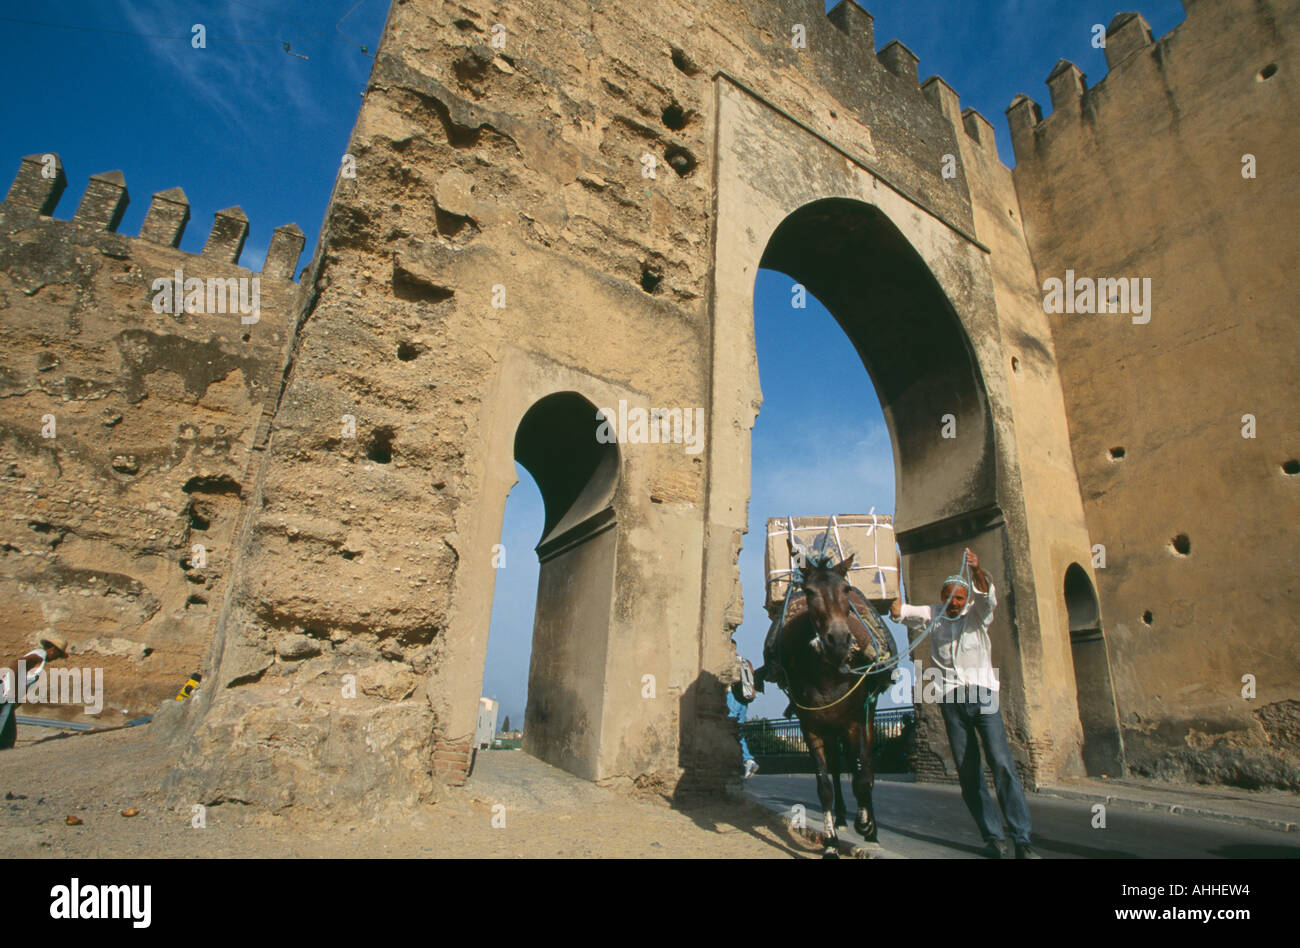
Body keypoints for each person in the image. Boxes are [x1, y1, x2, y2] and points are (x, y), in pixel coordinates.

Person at [890, 549, 1040, 859]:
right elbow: (898, 610)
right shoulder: (932, 615)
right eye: (949, 598)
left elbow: (986, 595)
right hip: (950, 700)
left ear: (966, 598)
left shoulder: (977, 614)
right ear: (941, 598)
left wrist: (976, 569)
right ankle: (993, 837)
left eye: (959, 598)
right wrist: (891, 569)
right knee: (968, 771)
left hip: (982, 698)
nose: (954, 603)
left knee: (1001, 763)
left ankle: (1022, 839)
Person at [0, 635, 69, 750]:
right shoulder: (39, 656)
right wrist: (13, 690)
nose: (57, 658)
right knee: (7, 729)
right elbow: (17, 664)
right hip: (5, 692)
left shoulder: (39, 657)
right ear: (52, 650)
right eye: (58, 655)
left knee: (8, 727)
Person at [726, 658, 759, 779]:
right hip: (743, 700)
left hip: (732, 697)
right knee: (737, 731)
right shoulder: (745, 661)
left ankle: (747, 760)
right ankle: (747, 761)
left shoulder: (730, 660)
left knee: (730, 729)